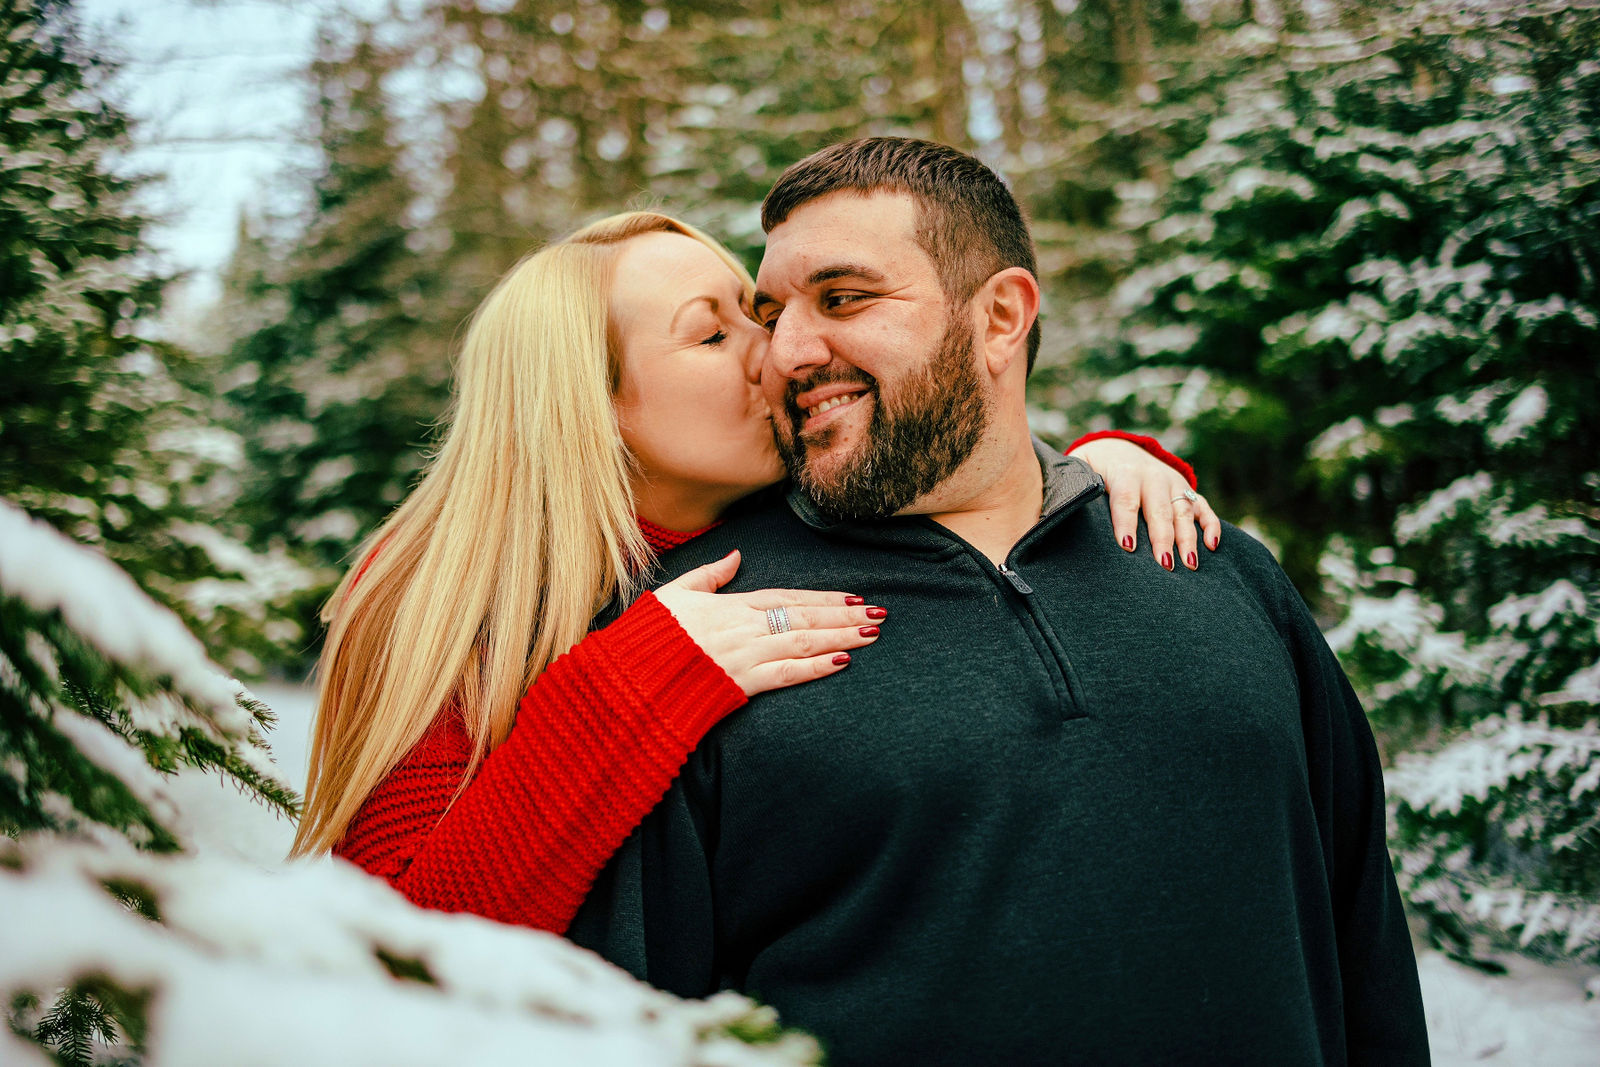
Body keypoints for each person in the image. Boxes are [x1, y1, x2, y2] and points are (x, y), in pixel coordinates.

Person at [566, 138, 1430, 1065]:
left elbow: (1363, 947)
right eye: (772, 313)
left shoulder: (1221, 570)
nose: (787, 351)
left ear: (1002, 316)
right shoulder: (698, 630)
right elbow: (627, 1024)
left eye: (844, 298)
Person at [289, 210, 1215, 939]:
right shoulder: (443, 595)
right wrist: (630, 683)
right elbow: (396, 948)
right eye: (711, 335)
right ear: (588, 405)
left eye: (755, 313)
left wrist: (1094, 470)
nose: (775, 351)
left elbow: (967, 468)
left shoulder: (800, 506)